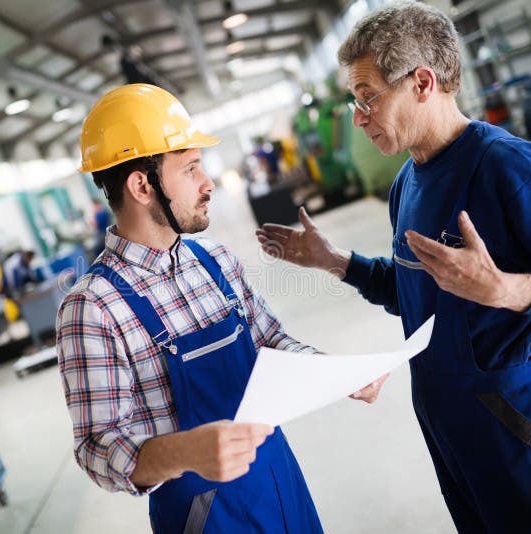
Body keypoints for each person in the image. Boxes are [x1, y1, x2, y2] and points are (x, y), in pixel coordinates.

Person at [256, 3, 531, 533]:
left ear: (422, 82)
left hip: (528, 431)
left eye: (367, 97)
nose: (358, 116)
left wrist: (509, 290)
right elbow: (416, 295)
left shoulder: (507, 167)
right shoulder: (408, 183)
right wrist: (335, 262)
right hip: (454, 431)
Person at [56, 83, 386, 533]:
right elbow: (97, 447)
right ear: (141, 185)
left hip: (277, 478)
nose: (207, 182)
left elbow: (270, 341)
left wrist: (334, 373)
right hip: (201, 515)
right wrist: (186, 452)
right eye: (190, 168)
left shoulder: (215, 260)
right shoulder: (92, 307)